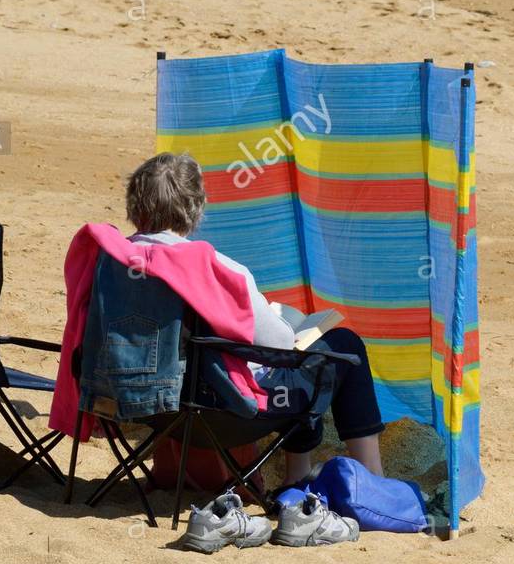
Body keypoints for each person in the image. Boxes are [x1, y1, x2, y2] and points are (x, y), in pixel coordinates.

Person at [124, 152, 385, 489]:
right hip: (220, 409)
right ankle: (367, 477)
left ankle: (301, 473)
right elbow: (276, 344)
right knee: (340, 348)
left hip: (148, 405)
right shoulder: (216, 268)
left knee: (305, 366)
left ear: (134, 202)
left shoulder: (114, 264)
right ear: (195, 206)